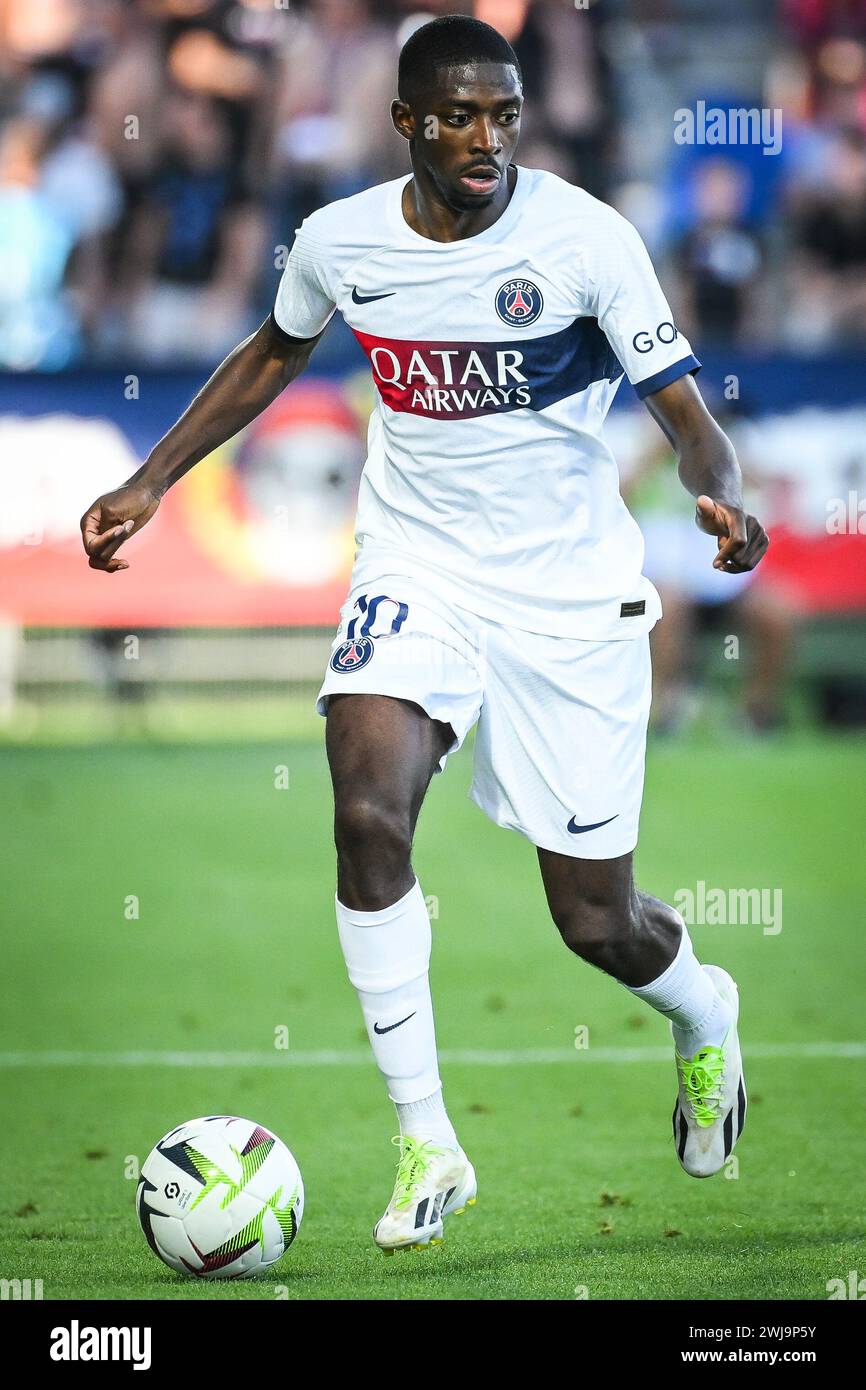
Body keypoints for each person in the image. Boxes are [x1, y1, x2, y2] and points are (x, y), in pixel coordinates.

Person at [80, 15, 769, 1255]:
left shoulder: (582, 237)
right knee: (363, 808)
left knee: (595, 924)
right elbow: (271, 353)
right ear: (406, 123)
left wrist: (720, 490)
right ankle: (428, 1141)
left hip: (567, 602)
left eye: (503, 116)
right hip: (416, 569)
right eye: (458, 116)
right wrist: (152, 479)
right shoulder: (341, 240)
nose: (485, 138)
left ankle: (704, 1009)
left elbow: (684, 408)